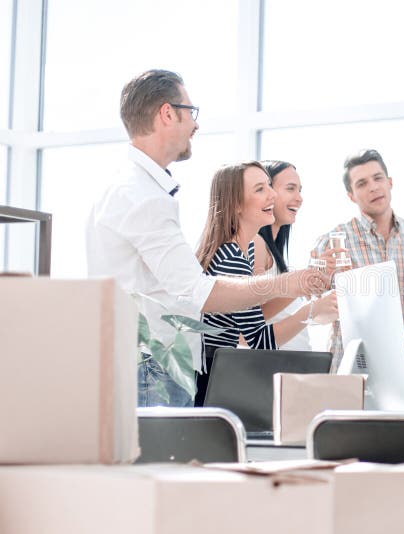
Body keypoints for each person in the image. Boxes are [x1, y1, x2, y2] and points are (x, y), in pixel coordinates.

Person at [86, 70, 325, 408]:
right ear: (167, 114)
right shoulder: (143, 197)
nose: (195, 124)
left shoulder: (129, 189)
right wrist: (290, 284)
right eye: (190, 112)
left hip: (148, 366)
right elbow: (199, 293)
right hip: (155, 370)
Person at [313, 149, 404, 381]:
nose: (373, 187)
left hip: (401, 373)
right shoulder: (333, 242)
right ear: (351, 195)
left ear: (390, 182)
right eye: (362, 183)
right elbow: (314, 313)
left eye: (378, 178)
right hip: (348, 375)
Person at [252, 160, 339, 351]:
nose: (299, 198)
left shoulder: (275, 254)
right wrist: (303, 283)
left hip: (290, 364)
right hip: (272, 365)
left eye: (300, 190)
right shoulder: (257, 244)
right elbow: (255, 319)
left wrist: (311, 280)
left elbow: (280, 314)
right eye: (290, 188)